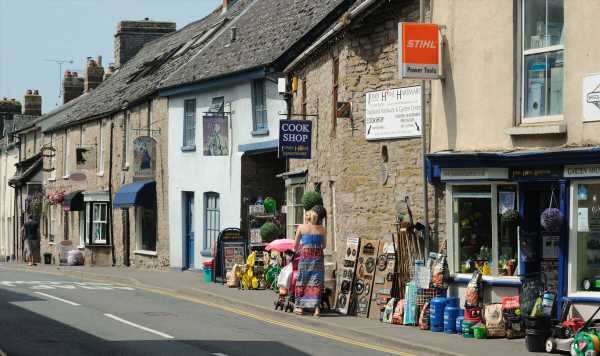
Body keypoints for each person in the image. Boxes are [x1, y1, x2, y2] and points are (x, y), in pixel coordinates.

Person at [294, 209, 326, 316]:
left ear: (306, 218)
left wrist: (298, 249)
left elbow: (295, 245)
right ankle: (316, 309)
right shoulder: (322, 229)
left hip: (306, 255)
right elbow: (324, 246)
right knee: (316, 281)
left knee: (303, 279)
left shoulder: (301, 227)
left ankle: (301, 307)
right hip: (318, 256)